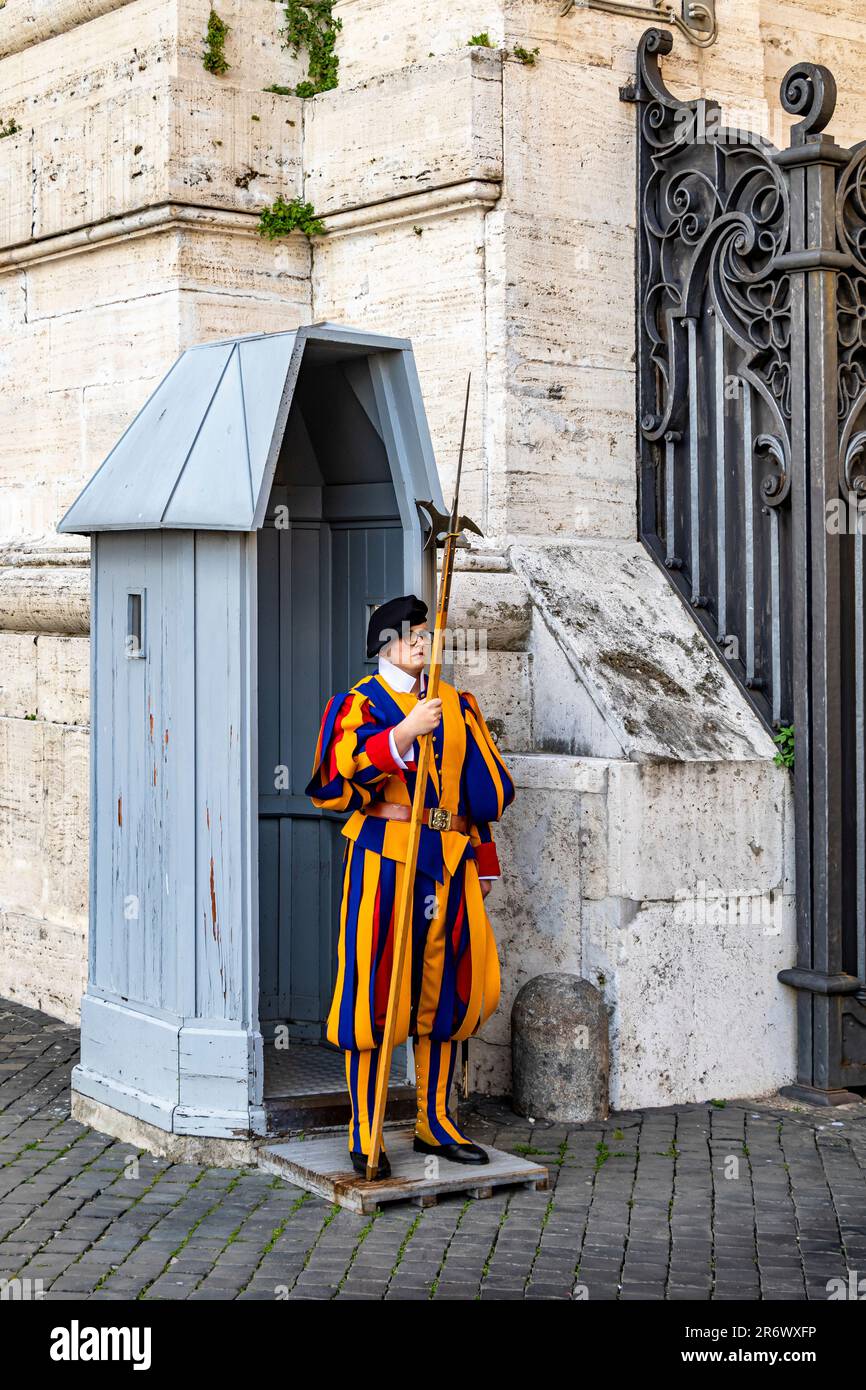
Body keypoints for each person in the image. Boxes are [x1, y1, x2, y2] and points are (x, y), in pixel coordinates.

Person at [305, 593, 515, 1178]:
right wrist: (403, 734)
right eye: (411, 633)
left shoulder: (454, 702)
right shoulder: (358, 704)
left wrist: (485, 860)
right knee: (375, 993)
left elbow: (479, 794)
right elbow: (337, 776)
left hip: (449, 861)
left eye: (426, 632)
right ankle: (367, 1131)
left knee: (445, 993)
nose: (423, 642)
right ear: (385, 645)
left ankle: (434, 1123)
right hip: (387, 859)